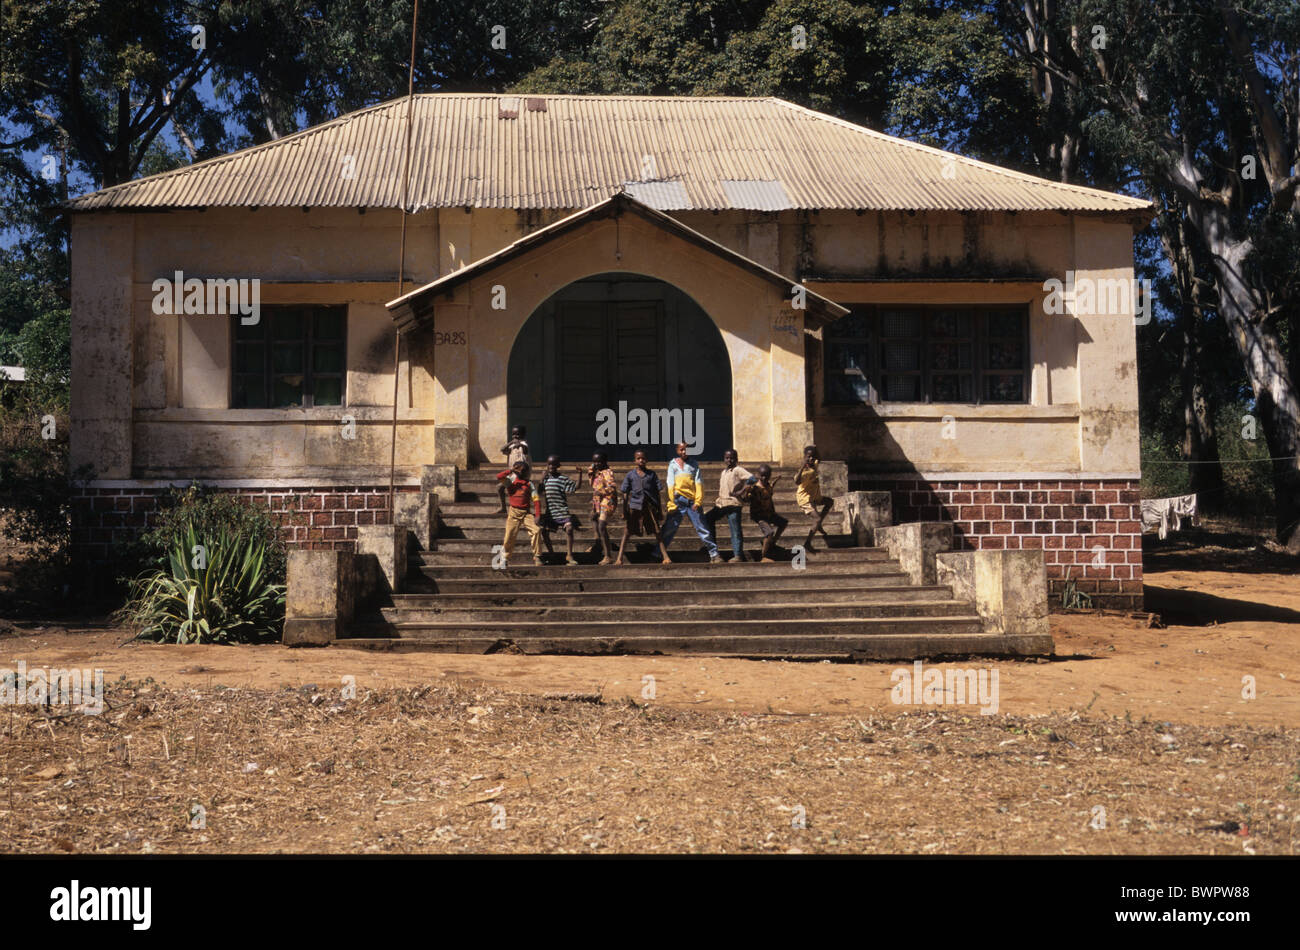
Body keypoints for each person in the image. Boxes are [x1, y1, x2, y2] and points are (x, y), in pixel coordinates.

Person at [660, 442, 721, 565]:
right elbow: (670, 484)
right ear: (677, 450)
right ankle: (658, 553)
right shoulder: (672, 464)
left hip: (692, 502)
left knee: (702, 528)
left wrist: (698, 501)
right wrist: (671, 502)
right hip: (678, 501)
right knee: (669, 528)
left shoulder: (694, 464)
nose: (684, 452)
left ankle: (714, 554)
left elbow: (699, 483)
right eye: (681, 450)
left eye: (686, 450)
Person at [615, 450, 671, 565]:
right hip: (635, 507)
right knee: (627, 532)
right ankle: (619, 558)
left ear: (647, 460)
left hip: (650, 507)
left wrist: (660, 510)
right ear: (635, 460)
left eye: (643, 458)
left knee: (657, 531)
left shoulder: (652, 475)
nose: (641, 460)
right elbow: (625, 493)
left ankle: (665, 557)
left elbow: (657, 493)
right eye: (638, 458)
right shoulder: (630, 475)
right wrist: (624, 511)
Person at [703, 448, 752, 562]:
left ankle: (738, 555)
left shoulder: (738, 470)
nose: (729, 460)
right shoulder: (724, 472)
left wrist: (741, 491)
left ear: (736, 459)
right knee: (708, 518)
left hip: (733, 504)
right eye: (727, 458)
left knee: (735, 530)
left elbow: (752, 478)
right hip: (721, 504)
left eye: (732, 458)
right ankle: (715, 552)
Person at [495, 459, 543, 567]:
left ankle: (537, 556)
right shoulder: (510, 481)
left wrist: (538, 515)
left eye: (524, 471)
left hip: (526, 513)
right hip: (513, 513)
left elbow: (536, 500)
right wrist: (511, 470)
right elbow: (499, 477)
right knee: (509, 536)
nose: (522, 473)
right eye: (521, 470)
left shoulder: (529, 484)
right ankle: (505, 558)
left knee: (536, 531)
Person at [736, 464, 787, 563]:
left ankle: (771, 543)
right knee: (769, 533)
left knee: (783, 523)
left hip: (769, 513)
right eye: (762, 475)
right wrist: (746, 492)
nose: (764, 478)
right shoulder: (755, 488)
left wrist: (776, 480)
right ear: (758, 475)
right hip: (759, 515)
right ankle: (764, 555)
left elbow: (771, 488)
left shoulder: (768, 485)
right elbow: (746, 499)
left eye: (767, 476)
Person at [538, 455, 584, 566]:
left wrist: (580, 474)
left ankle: (569, 555)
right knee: (544, 531)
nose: (551, 466)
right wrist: (541, 478)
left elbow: (575, 487)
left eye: (554, 464)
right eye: (549, 464)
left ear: (558, 466)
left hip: (562, 511)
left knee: (569, 529)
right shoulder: (545, 479)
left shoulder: (562, 478)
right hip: (550, 513)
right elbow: (539, 492)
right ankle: (551, 553)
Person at [795, 444, 835, 551]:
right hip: (805, 499)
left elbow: (819, 459)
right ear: (804, 457)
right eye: (808, 457)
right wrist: (802, 467)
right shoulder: (805, 471)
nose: (811, 458)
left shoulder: (815, 464)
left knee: (829, 502)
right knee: (817, 518)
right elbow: (796, 481)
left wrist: (816, 450)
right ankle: (807, 543)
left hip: (815, 496)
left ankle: (819, 524)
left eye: (813, 456)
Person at [587, 452, 618, 565]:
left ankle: (608, 555)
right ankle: (598, 542)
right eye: (594, 461)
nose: (596, 463)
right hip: (598, 501)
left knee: (601, 525)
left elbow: (612, 488)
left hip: (608, 500)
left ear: (605, 462)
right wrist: (591, 471)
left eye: (599, 461)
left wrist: (601, 492)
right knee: (593, 517)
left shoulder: (607, 473)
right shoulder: (596, 472)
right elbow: (592, 484)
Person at [496, 425, 530, 514]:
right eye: (513, 434)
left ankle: (526, 509)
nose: (515, 436)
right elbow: (502, 449)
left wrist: (520, 444)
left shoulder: (524, 444)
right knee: (500, 487)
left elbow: (526, 449)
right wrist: (511, 442)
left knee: (523, 492)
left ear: (523, 435)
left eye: (518, 434)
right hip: (513, 475)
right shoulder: (512, 446)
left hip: (522, 474)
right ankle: (503, 507)